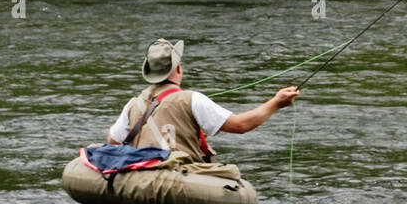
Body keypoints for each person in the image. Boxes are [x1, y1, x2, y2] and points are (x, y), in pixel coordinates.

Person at [106, 38, 298, 163]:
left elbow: (113, 141)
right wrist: (276, 103)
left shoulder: (133, 104)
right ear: (178, 69)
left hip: (141, 180)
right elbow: (241, 125)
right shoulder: (192, 99)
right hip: (179, 181)